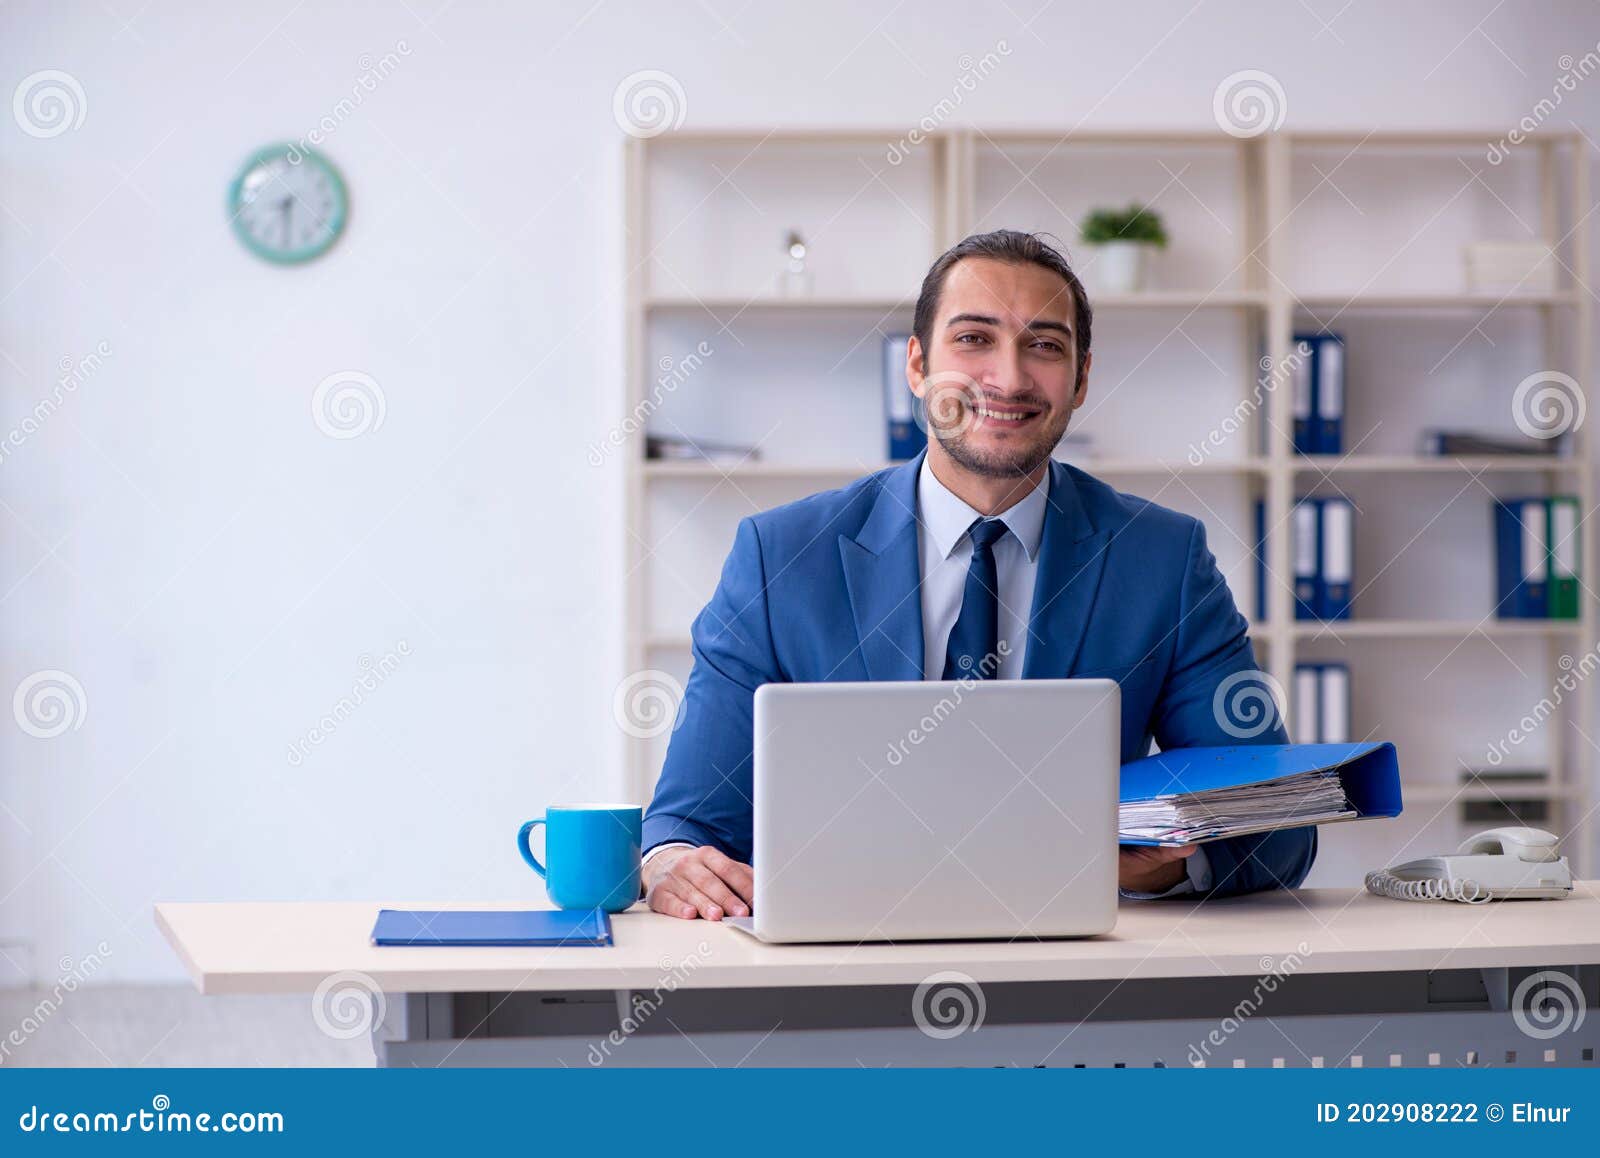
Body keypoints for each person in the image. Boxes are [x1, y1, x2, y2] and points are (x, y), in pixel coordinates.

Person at [641, 229, 1315, 921]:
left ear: (1081, 379)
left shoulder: (1165, 561)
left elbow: (1279, 824)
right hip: (837, 967)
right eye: (973, 339)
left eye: (1045, 346)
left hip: (1075, 975)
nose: (1010, 378)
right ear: (917, 367)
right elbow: (688, 821)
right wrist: (671, 866)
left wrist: (1160, 870)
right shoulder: (779, 558)